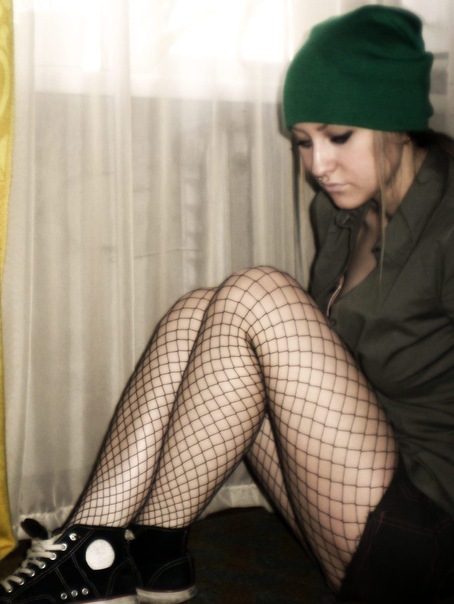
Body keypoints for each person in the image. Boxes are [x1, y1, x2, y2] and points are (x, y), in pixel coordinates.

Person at [1, 4, 454, 604]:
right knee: (200, 310)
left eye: (339, 136)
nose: (318, 166)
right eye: (304, 143)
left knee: (256, 295)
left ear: (396, 122)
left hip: (427, 536)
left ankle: (101, 553)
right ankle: (137, 548)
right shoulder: (340, 214)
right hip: (357, 498)